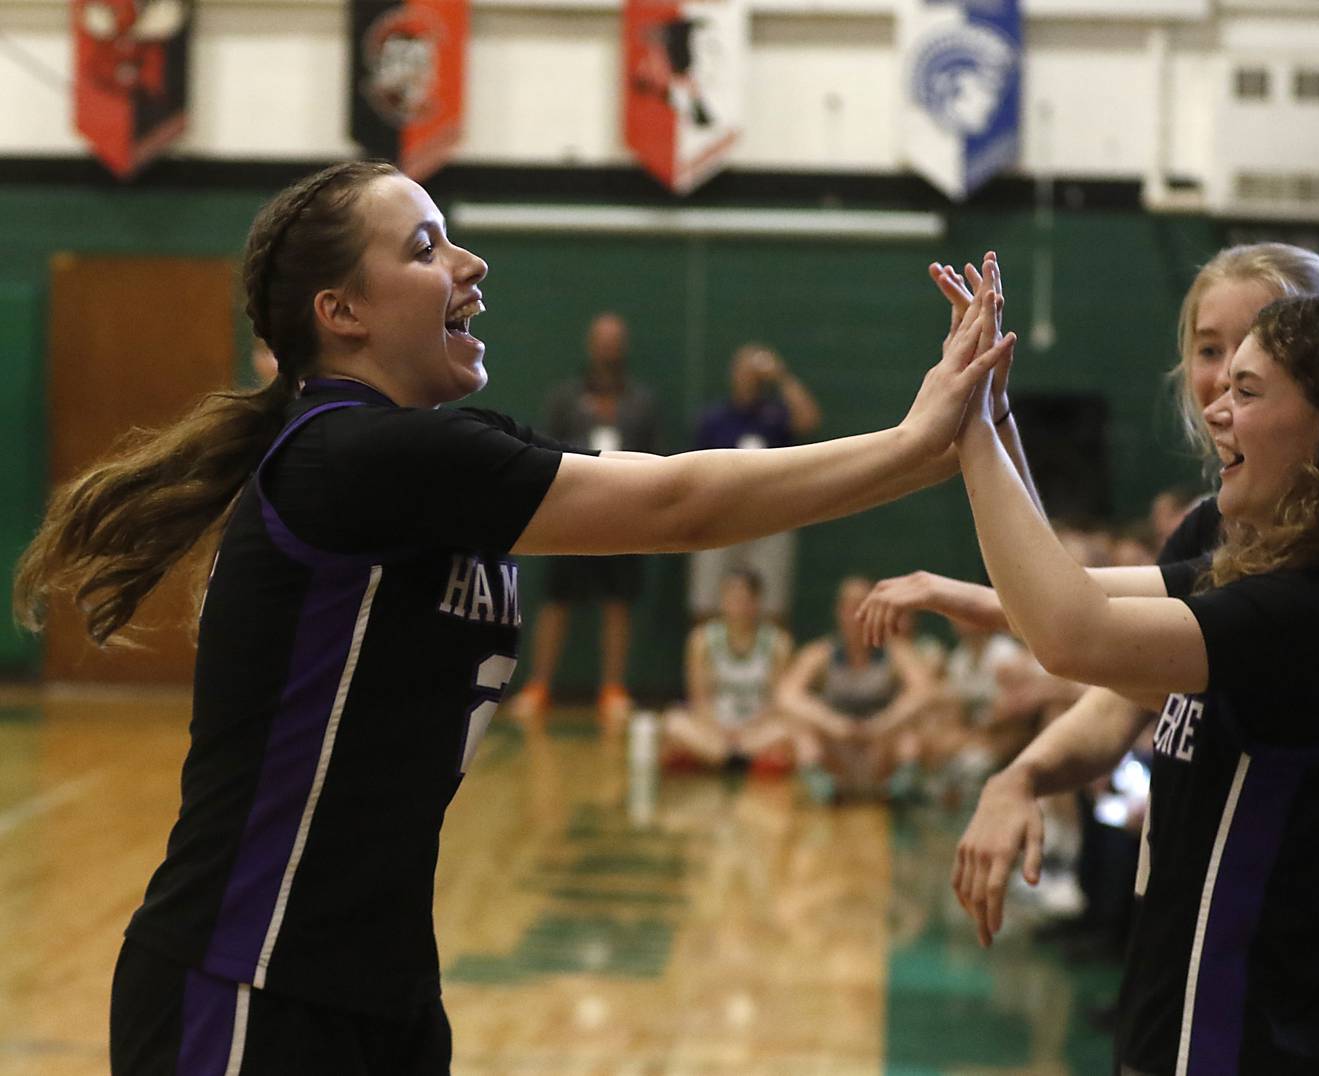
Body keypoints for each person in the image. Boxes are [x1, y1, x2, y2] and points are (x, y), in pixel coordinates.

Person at [11, 161, 1000, 1072]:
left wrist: (931, 445)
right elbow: (680, 505)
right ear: (339, 310)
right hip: (247, 975)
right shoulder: (352, 459)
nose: (468, 262)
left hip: (381, 984)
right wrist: (917, 437)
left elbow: (673, 492)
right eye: (425, 246)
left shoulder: (430, 463)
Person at [861, 245, 1319, 1071]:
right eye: (1212, 357)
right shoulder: (1249, 555)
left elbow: (1075, 632)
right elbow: (1076, 605)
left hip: (1280, 1019)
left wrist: (971, 430)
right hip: (1192, 990)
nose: (1216, 400)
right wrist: (992, 411)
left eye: (1249, 379)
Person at [507, 312, 660, 731]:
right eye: (602, 339)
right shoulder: (565, 397)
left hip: (626, 516)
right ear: (591, 345)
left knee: (617, 603)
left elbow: (653, 456)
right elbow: (545, 448)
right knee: (557, 601)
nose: (609, 347)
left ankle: (613, 689)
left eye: (616, 339)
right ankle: (538, 687)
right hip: (573, 513)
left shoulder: (641, 401)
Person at [688, 343, 822, 622]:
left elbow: (809, 419)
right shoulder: (715, 419)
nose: (747, 377)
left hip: (770, 520)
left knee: (773, 607)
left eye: (753, 371)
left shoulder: (775, 417)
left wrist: (780, 376)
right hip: (720, 518)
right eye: (742, 370)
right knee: (707, 604)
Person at [776, 576, 937, 804]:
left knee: (909, 736)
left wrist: (881, 724)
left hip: (879, 746)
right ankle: (824, 787)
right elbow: (787, 696)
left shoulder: (896, 652)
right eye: (851, 607)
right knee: (801, 732)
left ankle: (900, 788)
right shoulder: (821, 653)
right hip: (839, 747)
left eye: (864, 605)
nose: (858, 615)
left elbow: (924, 692)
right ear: (839, 612)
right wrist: (834, 724)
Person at [661, 568, 796, 769]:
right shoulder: (701, 641)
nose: (737, 606)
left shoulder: (778, 643)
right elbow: (699, 700)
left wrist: (748, 730)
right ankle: (735, 758)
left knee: (790, 730)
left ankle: (719, 759)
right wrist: (719, 730)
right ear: (721, 601)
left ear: (757, 602)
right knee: (673, 721)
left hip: (757, 730)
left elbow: (777, 702)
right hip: (714, 730)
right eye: (731, 598)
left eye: (744, 599)